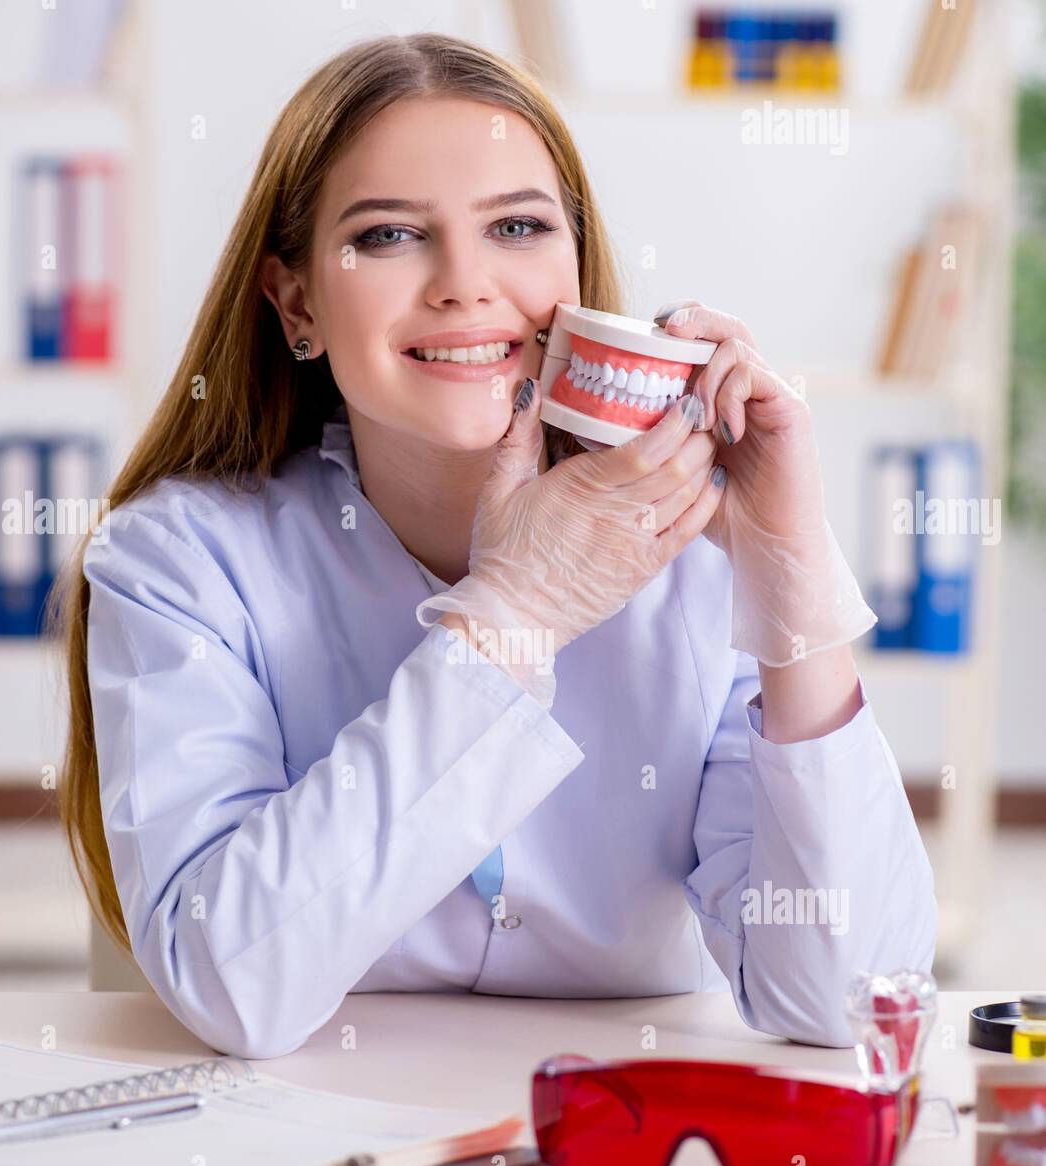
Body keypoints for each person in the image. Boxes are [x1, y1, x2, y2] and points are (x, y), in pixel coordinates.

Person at [53, 32, 936, 1060]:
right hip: (315, 1147)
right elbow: (233, 986)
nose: (465, 284)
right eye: (389, 236)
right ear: (296, 302)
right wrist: (515, 615)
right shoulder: (177, 561)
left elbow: (851, 1005)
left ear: (574, 264)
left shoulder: (696, 555)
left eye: (517, 225)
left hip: (614, 1164)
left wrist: (792, 582)